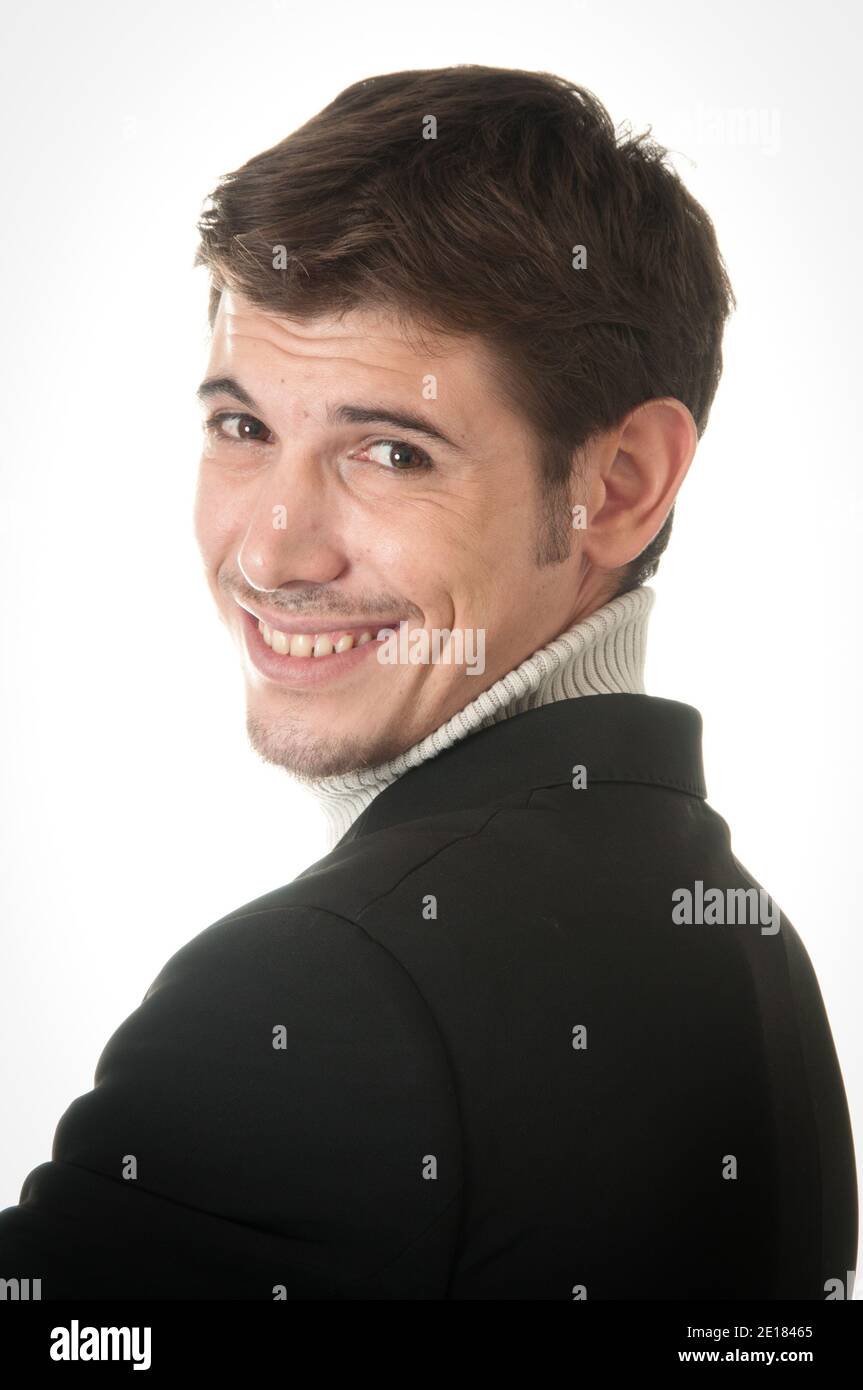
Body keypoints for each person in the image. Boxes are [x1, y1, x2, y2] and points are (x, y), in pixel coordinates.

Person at [0, 65, 856, 1300]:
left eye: (390, 450)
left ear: (617, 486)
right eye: (242, 427)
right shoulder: (737, 934)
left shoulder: (319, 988)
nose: (269, 550)